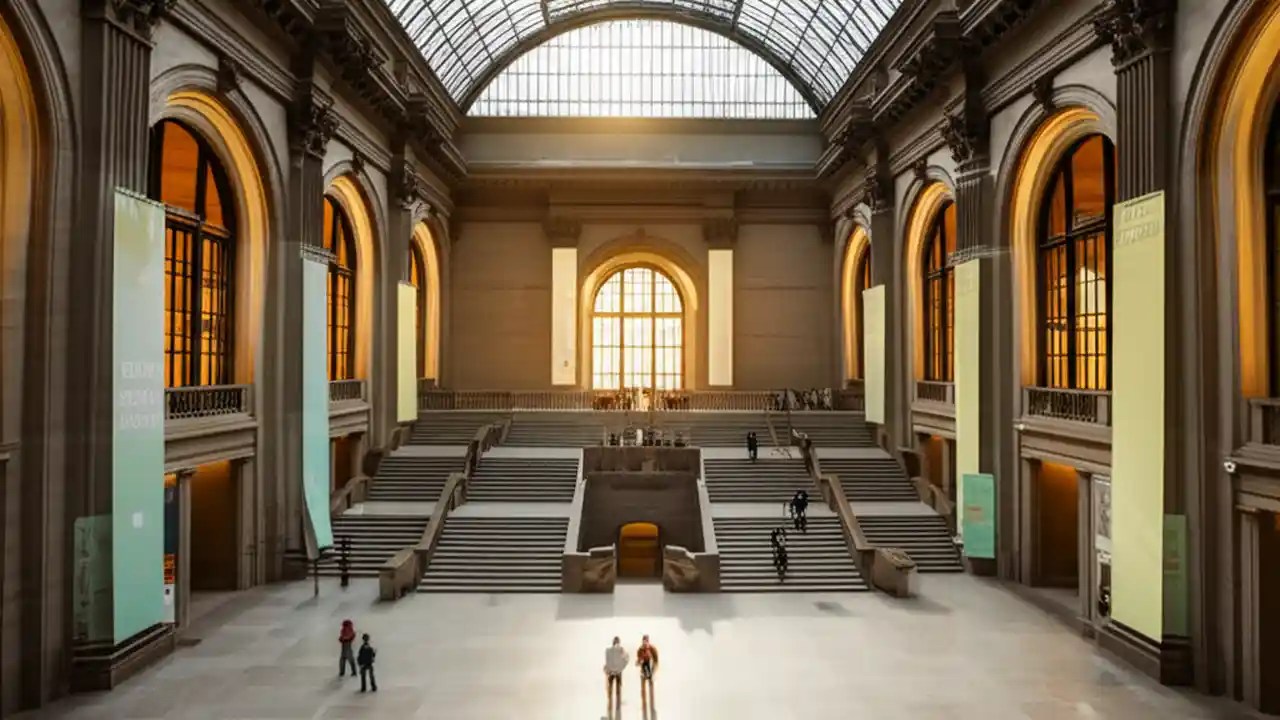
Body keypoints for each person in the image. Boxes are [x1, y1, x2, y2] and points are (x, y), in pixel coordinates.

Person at [604, 636, 628, 712]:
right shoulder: (609, 651)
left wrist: (621, 667)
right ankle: (610, 705)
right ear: (613, 643)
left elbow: (626, 659)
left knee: (618, 689)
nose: (616, 645)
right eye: (615, 643)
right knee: (610, 689)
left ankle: (617, 706)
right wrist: (607, 669)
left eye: (617, 643)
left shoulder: (621, 650)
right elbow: (607, 661)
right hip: (611, 672)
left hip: (618, 672)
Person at [636, 634, 659, 710]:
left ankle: (652, 705)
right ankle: (644, 705)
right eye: (644, 641)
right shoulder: (640, 649)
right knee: (643, 689)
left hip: (651, 670)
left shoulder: (652, 648)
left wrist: (653, 671)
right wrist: (639, 662)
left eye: (646, 641)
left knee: (651, 686)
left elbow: (656, 661)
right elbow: (638, 661)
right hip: (643, 670)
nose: (645, 642)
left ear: (648, 641)